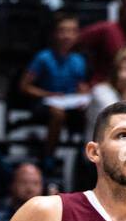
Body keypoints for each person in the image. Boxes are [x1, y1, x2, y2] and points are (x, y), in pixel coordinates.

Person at [19, 12, 90, 164]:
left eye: (72, 31)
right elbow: (25, 86)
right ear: (54, 33)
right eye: (63, 30)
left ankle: (86, 155)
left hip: (69, 103)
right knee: (57, 113)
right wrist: (48, 94)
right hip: (44, 103)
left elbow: (81, 85)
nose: (67, 36)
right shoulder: (43, 57)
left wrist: (83, 92)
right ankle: (49, 156)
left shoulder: (79, 60)